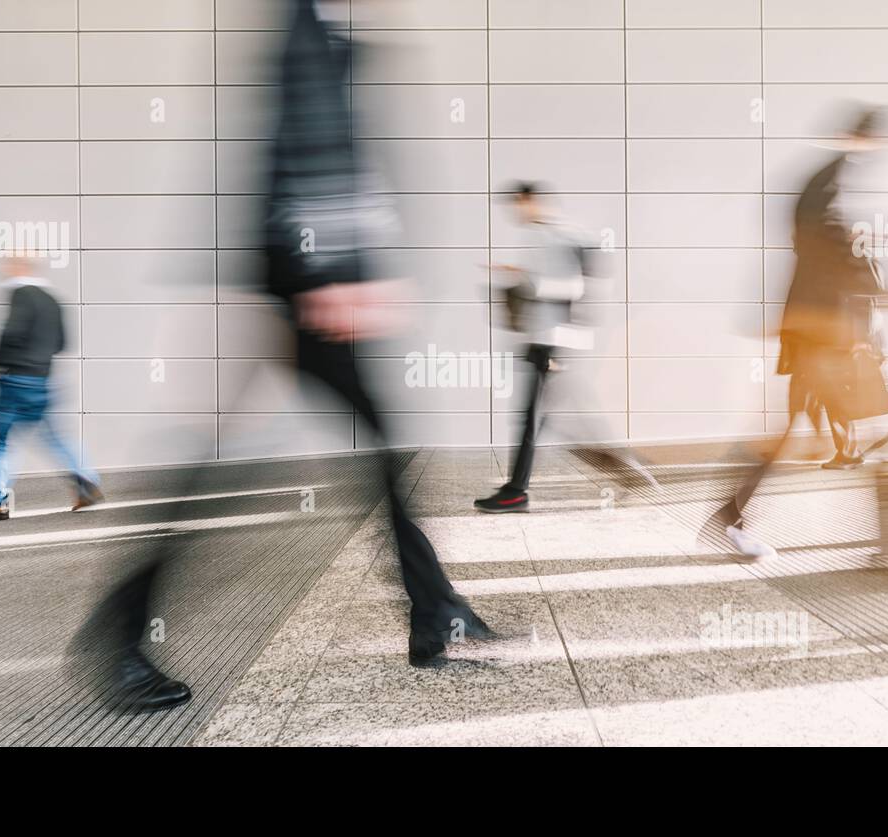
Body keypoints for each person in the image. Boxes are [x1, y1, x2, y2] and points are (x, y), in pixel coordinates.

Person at [68, 0, 492, 715]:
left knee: (353, 446)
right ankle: (115, 639)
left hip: (293, 274)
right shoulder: (306, 18)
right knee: (223, 459)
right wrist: (335, 270)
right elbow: (311, 130)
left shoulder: (326, 20)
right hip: (294, 280)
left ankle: (434, 610)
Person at [705, 107, 888, 559]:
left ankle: (729, 518)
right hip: (818, 331)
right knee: (845, 424)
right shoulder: (826, 186)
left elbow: (820, 241)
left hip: (818, 331)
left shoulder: (825, 184)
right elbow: (821, 242)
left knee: (803, 428)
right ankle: (728, 520)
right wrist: (873, 276)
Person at [475, 182, 652, 513]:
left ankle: (517, 491)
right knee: (549, 419)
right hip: (546, 339)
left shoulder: (559, 235)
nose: (516, 212)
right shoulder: (549, 234)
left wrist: (526, 279)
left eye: (518, 204)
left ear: (531, 201)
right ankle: (625, 468)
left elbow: (572, 285)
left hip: (553, 341)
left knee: (536, 418)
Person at [0, 257, 102, 523]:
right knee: (55, 436)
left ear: (18, 267)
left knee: (1, 441)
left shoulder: (19, 293)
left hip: (15, 378)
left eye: (6, 264)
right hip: (43, 378)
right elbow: (62, 343)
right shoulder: (52, 299)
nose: (2, 269)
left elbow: (12, 331)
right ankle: (87, 480)